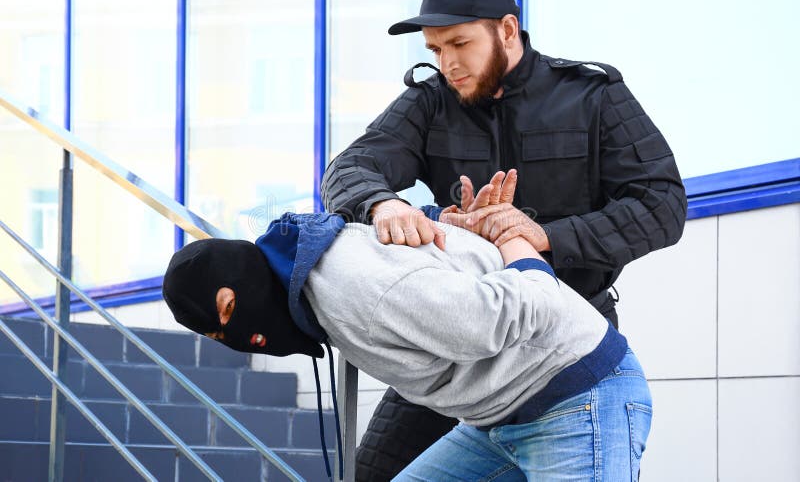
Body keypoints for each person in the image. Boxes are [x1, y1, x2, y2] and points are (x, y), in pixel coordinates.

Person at [320, 0, 686, 478]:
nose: (448, 62)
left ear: (507, 29)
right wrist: (387, 205)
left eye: (459, 44)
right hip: (461, 340)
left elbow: (662, 206)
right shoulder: (429, 103)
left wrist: (543, 239)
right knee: (372, 474)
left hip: (567, 344)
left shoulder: (592, 96)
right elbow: (350, 168)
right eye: (435, 50)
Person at [162, 171, 652, 481]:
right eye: (216, 335)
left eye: (229, 313)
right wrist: (457, 226)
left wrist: (514, 236)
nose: (240, 337)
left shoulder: (354, 289)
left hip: (575, 397)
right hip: (500, 419)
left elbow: (520, 309)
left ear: (238, 286)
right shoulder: (313, 275)